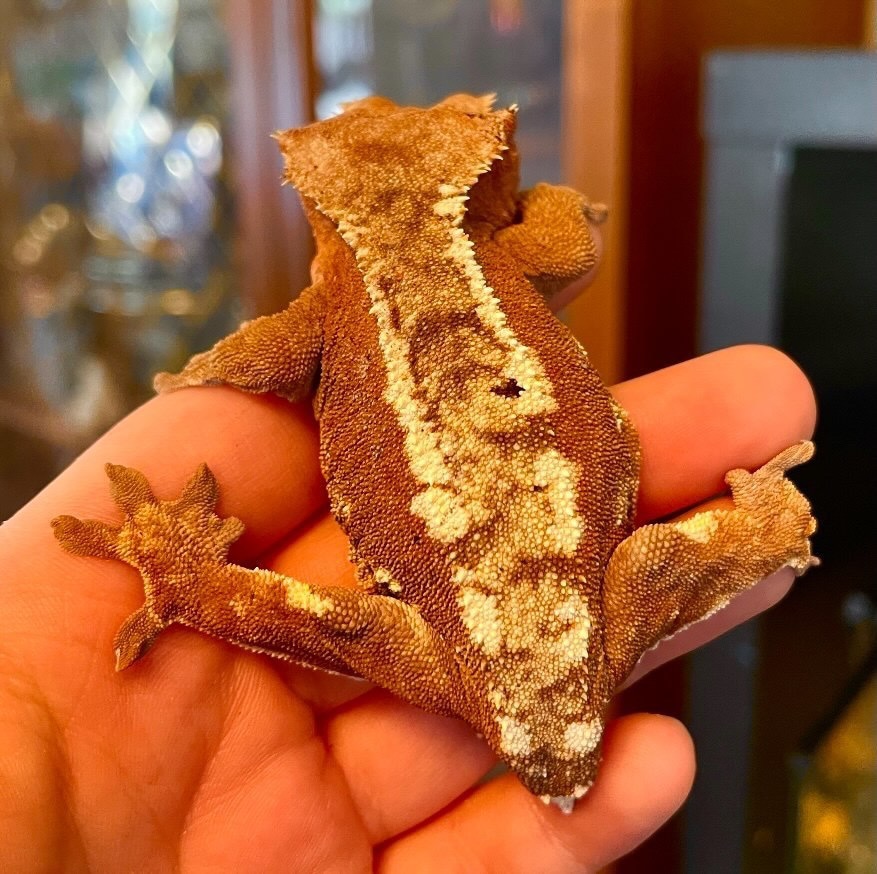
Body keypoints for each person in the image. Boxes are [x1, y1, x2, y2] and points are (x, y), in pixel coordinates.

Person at [0, 341, 815, 871]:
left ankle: (192, 587)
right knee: (383, 625)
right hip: (510, 650)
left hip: (507, 653)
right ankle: (770, 536)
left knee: (369, 628)